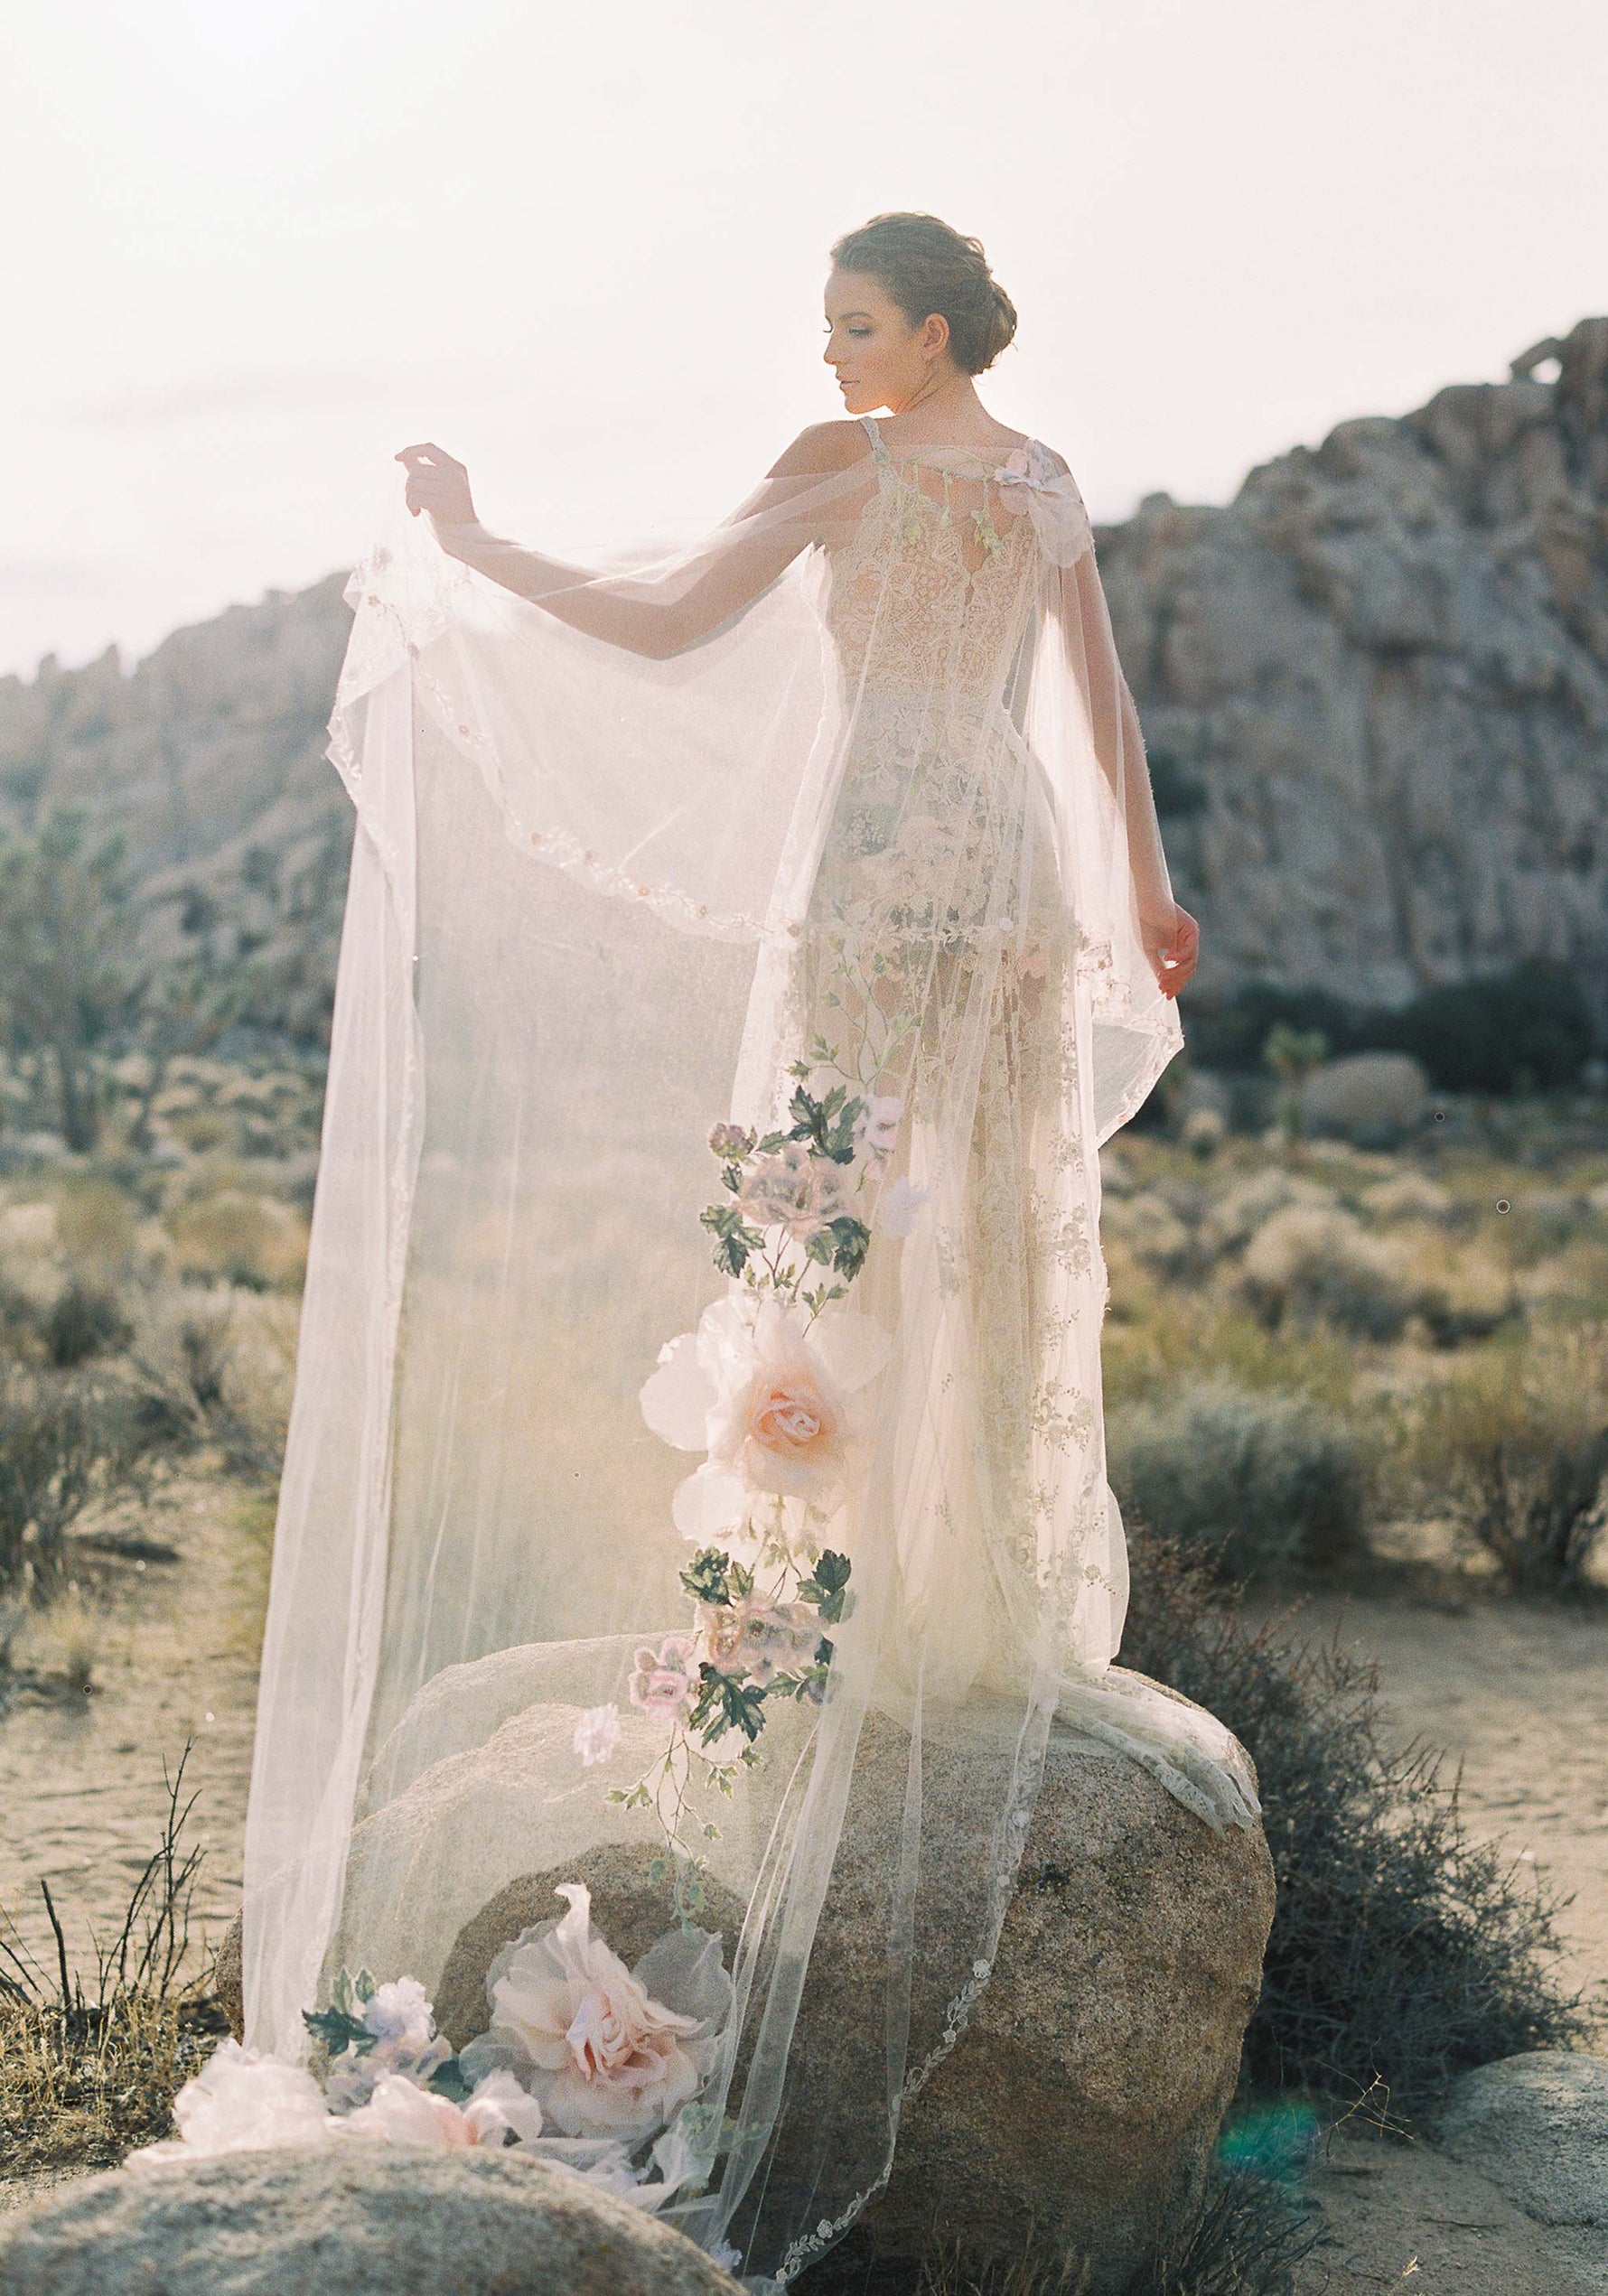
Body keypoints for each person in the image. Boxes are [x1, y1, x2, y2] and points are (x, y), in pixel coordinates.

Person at [229, 212, 1257, 2286]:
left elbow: (669, 618)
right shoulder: (1001, 475)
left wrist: (480, 540)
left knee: (875, 1216)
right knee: (923, 1224)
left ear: (938, 325)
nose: (834, 353)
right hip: (989, 843)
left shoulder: (883, 465)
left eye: (860, 325)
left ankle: (891, 1598)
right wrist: (1138, 887)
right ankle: (930, 1594)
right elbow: (1099, 721)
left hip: (906, 845)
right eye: (830, 331)